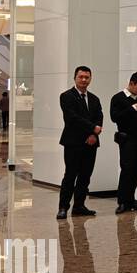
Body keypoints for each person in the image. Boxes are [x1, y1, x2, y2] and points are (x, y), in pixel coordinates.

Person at [57, 66, 103, 220]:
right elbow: (72, 118)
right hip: (73, 143)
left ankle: (79, 206)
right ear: (75, 78)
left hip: (91, 143)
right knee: (70, 175)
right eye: (81, 77)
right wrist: (92, 129)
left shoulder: (95, 99)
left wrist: (93, 135)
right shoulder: (66, 96)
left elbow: (99, 116)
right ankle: (63, 207)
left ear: (90, 79)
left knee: (85, 176)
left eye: (87, 77)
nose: (84, 80)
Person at [110, 71, 137, 215]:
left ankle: (131, 200)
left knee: (136, 170)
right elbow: (114, 117)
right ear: (132, 83)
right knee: (127, 169)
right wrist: (132, 109)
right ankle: (122, 202)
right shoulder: (118, 98)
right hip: (127, 139)